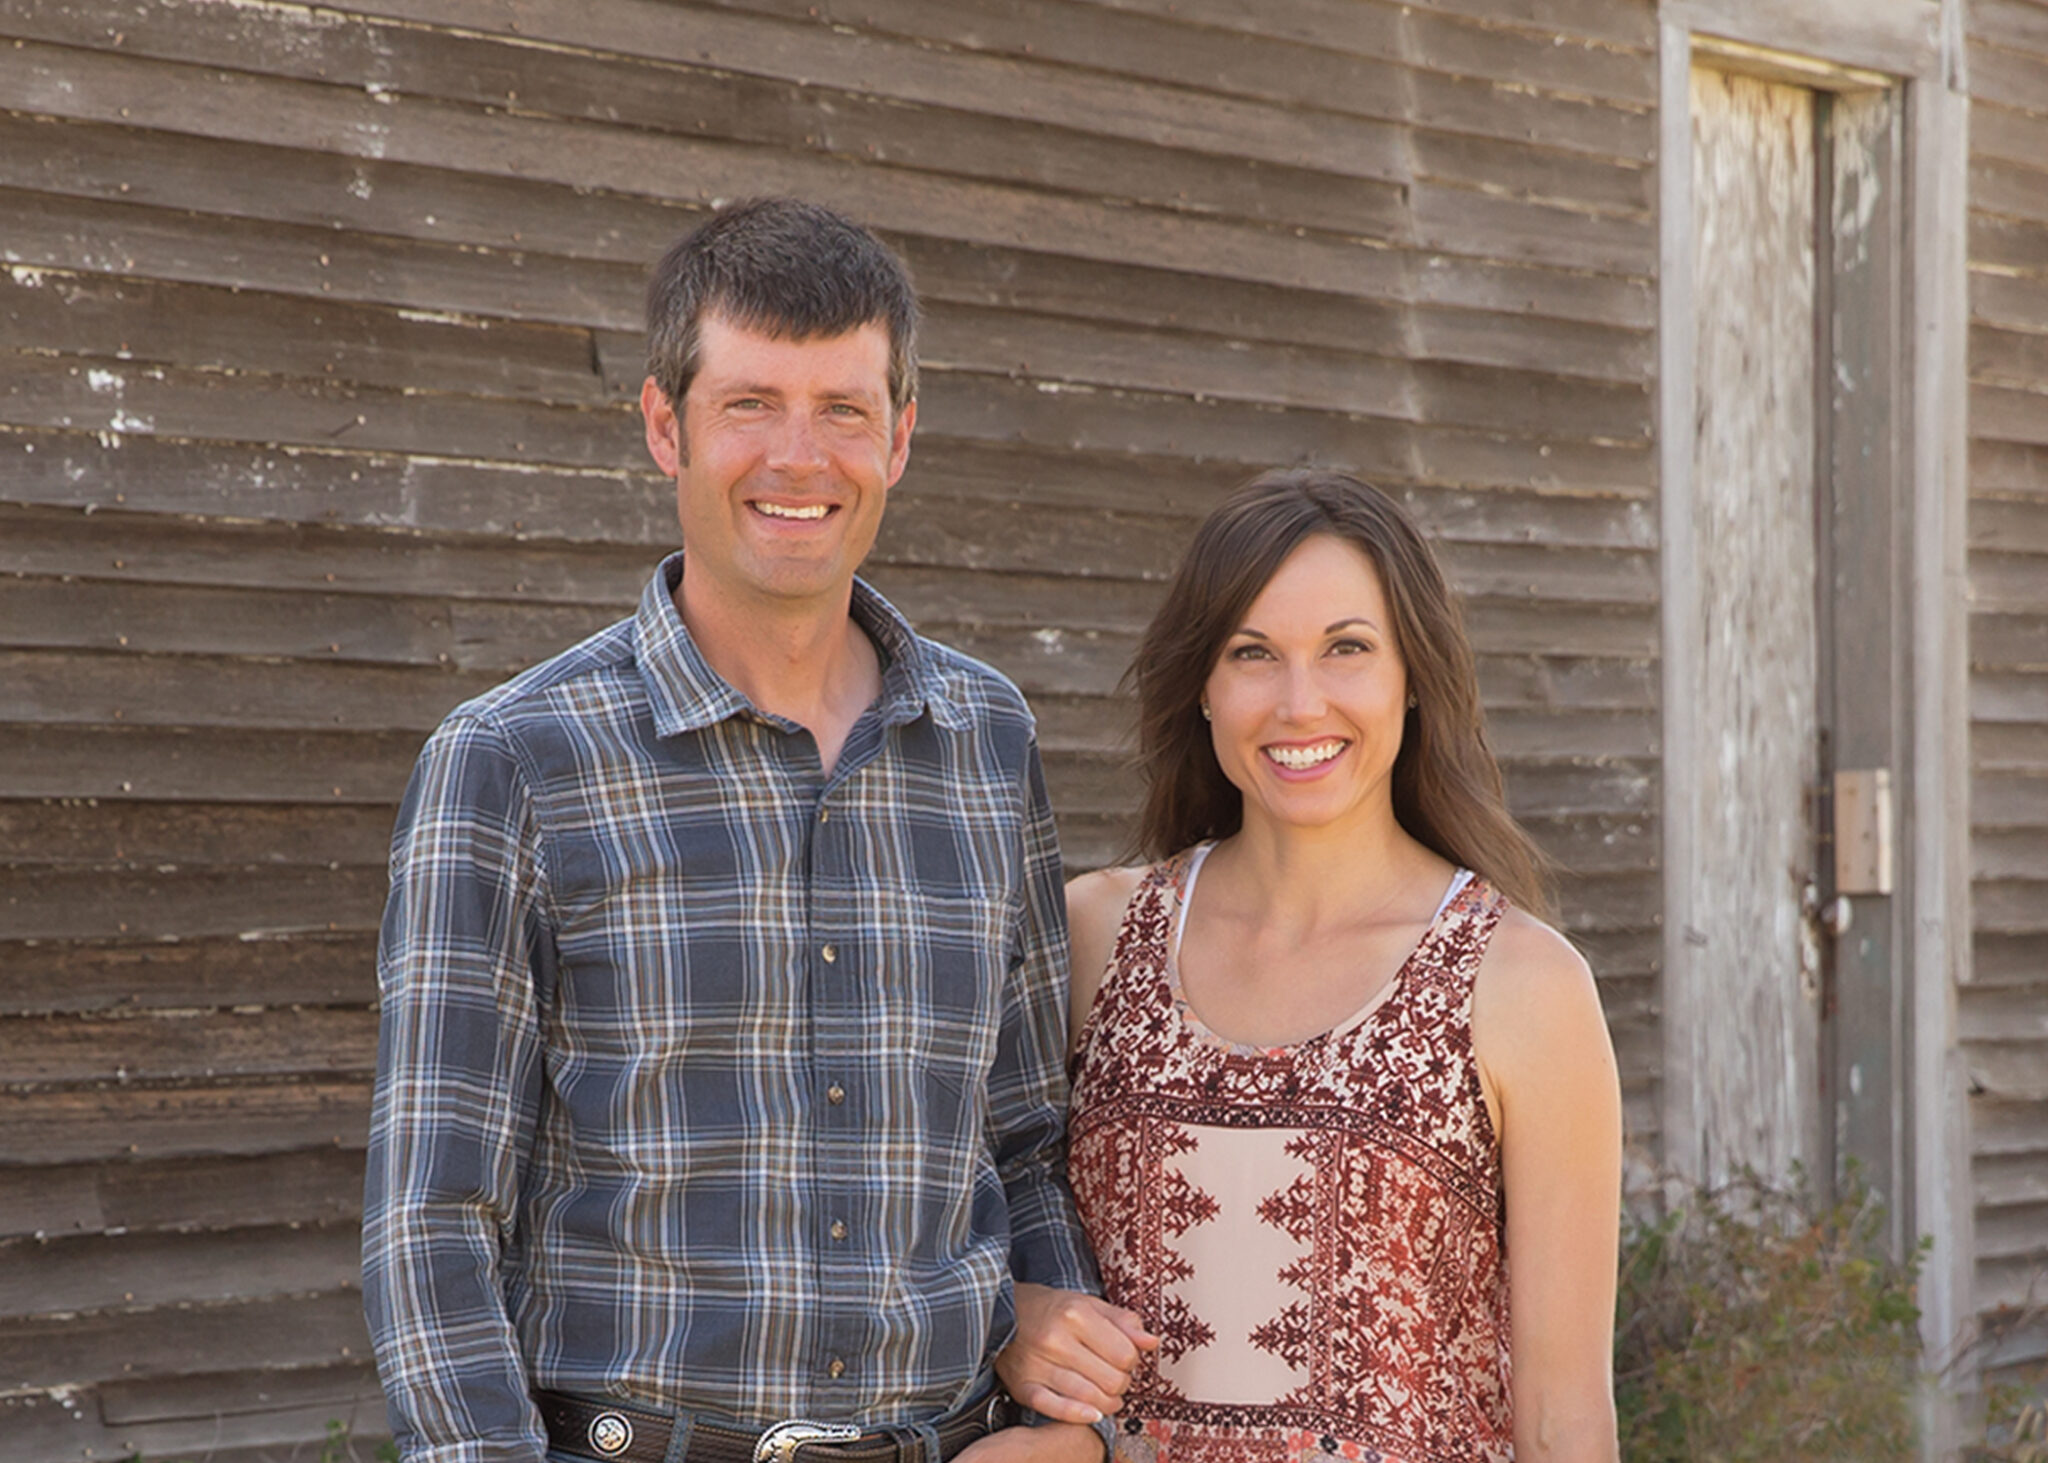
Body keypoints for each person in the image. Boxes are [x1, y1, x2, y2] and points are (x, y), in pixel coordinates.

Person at [362, 197, 1123, 1463]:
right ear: (665, 425)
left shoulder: (985, 740)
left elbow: (1025, 1142)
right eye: (750, 403)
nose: (798, 456)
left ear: (900, 436)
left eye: (842, 410)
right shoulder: (510, 760)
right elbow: (432, 1220)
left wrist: (1068, 1421)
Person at [997, 469, 1623, 1461]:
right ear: (1202, 686)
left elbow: (1564, 1421)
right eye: (1252, 653)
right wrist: (1016, 1317)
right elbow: (955, 1226)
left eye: (1346, 648)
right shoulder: (1092, 936)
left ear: (1411, 676)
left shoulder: (1522, 984)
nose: (1300, 702)